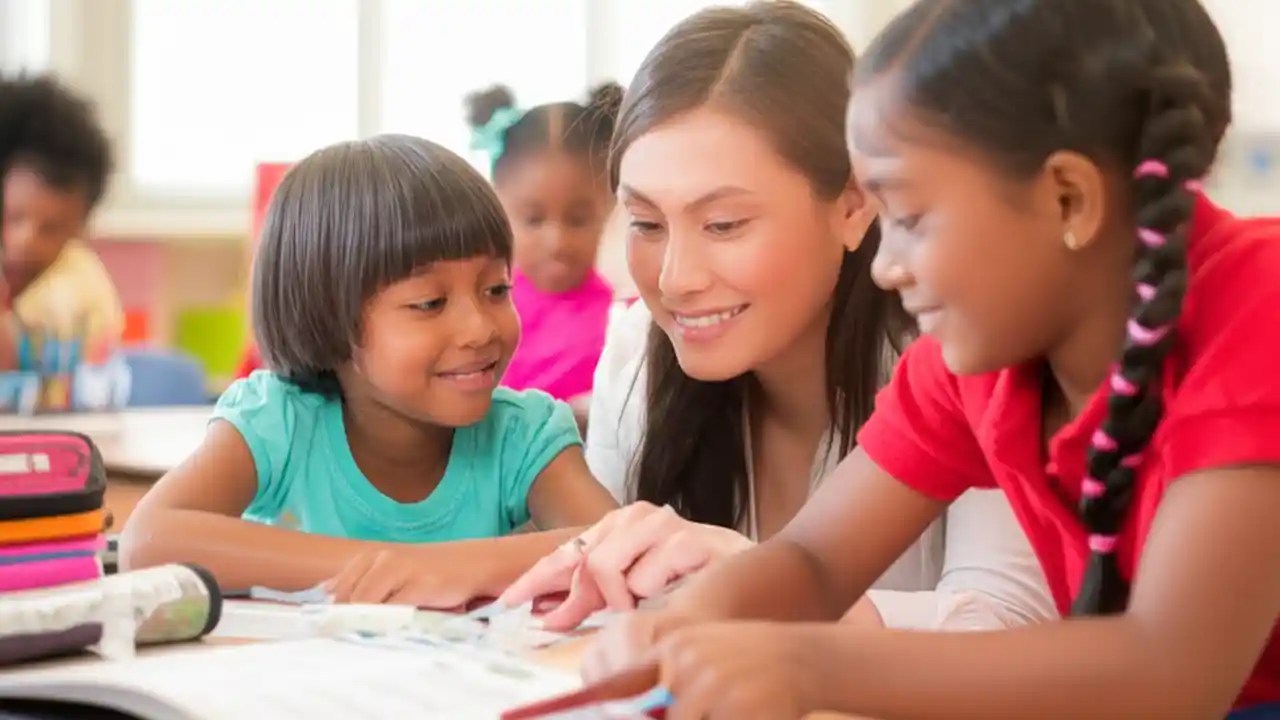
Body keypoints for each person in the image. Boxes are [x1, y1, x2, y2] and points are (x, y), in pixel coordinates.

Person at [581, 0, 1280, 717]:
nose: (886, 268)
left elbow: (1172, 673)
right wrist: (685, 625)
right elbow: (812, 560)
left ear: (1069, 199)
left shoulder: (1260, 309)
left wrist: (801, 663)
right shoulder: (973, 360)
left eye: (910, 219)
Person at [502, 0, 1054, 634]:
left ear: (854, 202)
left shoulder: (968, 348)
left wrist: (745, 580)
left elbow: (1012, 625)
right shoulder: (637, 351)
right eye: (646, 224)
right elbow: (607, 593)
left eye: (724, 224)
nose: (675, 278)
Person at [120, 135, 618, 606]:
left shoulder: (522, 434)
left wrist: (450, 569)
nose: (479, 329)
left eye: (496, 290)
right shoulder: (280, 422)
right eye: (430, 302)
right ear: (328, 317)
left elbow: (616, 547)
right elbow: (147, 541)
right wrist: (390, 566)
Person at [465, 83, 621, 421]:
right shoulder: (477, 313)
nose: (557, 242)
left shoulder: (624, 321)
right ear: (498, 206)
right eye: (533, 220)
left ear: (609, 205)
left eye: (579, 219)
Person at [0, 75, 122, 370]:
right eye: (14, 217)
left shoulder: (80, 288)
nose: (25, 241)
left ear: (78, 229)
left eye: (52, 228)